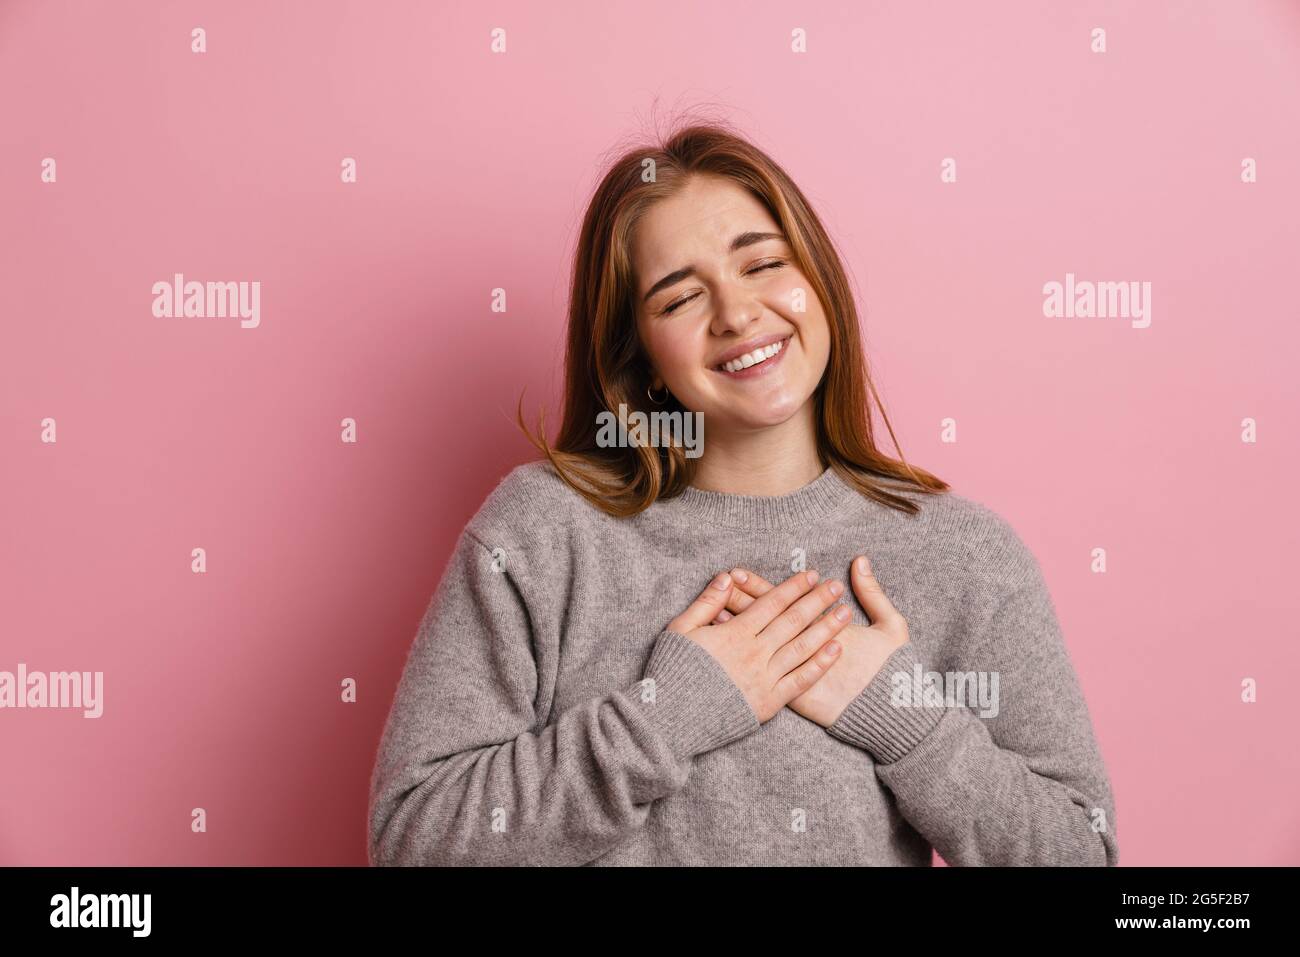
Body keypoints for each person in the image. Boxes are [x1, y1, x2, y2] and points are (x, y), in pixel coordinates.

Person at [367, 117, 1119, 866]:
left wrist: (907, 717)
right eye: (678, 298)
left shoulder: (962, 554)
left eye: (762, 264)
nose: (736, 314)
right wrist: (667, 716)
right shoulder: (545, 532)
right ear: (645, 359)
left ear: (816, 279)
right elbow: (411, 840)